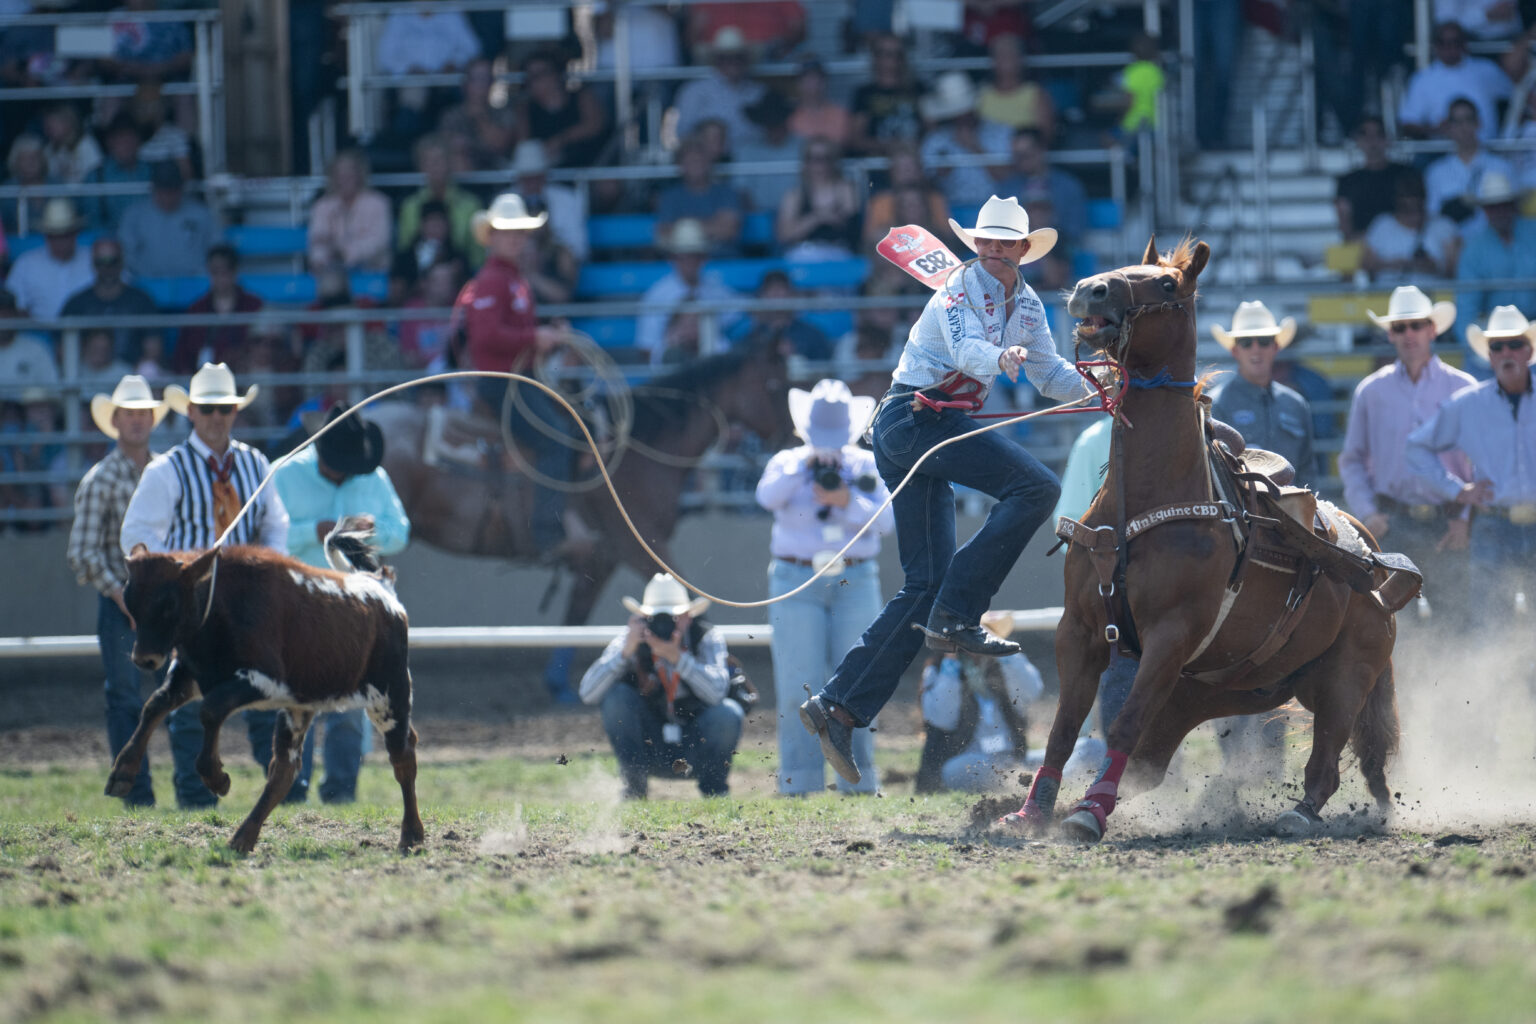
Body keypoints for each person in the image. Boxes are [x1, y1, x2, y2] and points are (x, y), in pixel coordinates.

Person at [797, 195, 1091, 784]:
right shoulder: (957, 286)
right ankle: (959, 612)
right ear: (976, 245)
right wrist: (1001, 353)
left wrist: (1098, 387)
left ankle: (840, 706)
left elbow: (1049, 373)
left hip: (920, 426)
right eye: (986, 242)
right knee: (1036, 487)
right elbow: (965, 350)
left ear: (1022, 250)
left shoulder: (1028, 307)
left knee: (923, 583)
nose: (994, 250)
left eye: (1004, 243)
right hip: (913, 420)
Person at [118, 362, 290, 808]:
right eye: (209, 408)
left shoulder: (256, 464)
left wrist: (266, 573)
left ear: (235, 411)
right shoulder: (167, 471)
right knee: (188, 704)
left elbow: (275, 525)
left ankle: (288, 796)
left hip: (246, 610)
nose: (218, 416)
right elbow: (137, 536)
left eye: (226, 408)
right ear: (191, 411)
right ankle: (196, 801)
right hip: (192, 613)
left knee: (266, 696)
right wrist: (177, 582)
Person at [244, 403, 411, 805]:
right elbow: (265, 537)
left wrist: (368, 534)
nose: (348, 471)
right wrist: (312, 531)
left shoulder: (374, 477)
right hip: (294, 607)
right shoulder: (284, 474)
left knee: (350, 702)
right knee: (283, 697)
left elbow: (400, 532)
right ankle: (290, 788)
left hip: (350, 609)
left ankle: (340, 790)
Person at [756, 380, 892, 796]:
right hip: (796, 581)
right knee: (799, 679)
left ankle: (859, 779)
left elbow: (885, 523)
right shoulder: (788, 462)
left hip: (855, 578)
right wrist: (807, 463)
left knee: (858, 681)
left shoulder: (865, 466)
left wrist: (845, 502)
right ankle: (798, 780)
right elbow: (766, 496)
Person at [1340, 285, 1476, 628]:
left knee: (1456, 621)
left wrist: (1464, 515)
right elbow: (1352, 460)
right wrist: (1369, 513)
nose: (1409, 333)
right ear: (1390, 334)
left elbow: (1482, 465)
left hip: (1448, 525)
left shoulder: (1464, 389)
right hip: (1392, 525)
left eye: (1416, 325)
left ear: (1432, 329)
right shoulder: (1370, 392)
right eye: (1401, 327)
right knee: (1393, 631)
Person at [450, 192, 574, 552]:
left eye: (520, 231)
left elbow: (507, 332)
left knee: (571, 428)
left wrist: (546, 336)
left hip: (521, 380)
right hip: (503, 385)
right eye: (507, 231)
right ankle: (547, 534)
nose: (515, 237)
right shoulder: (493, 281)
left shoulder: (513, 280)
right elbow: (486, 336)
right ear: (492, 236)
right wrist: (538, 336)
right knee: (557, 441)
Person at [65, 375, 167, 806]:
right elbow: (83, 553)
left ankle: (191, 792)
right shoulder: (101, 480)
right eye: (131, 414)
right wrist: (120, 594)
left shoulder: (165, 473)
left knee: (181, 695)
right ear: (116, 420)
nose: (138, 421)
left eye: (144, 413)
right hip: (121, 604)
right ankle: (137, 793)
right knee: (126, 697)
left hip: (165, 605)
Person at [1405, 305, 1536, 628]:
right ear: (1489, 355)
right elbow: (1415, 447)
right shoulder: (1469, 404)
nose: (1506, 353)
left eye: (1515, 344)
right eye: (1497, 346)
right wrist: (1457, 490)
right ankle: (1492, 680)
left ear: (1529, 351)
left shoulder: (1468, 403)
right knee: (1491, 626)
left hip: (1505, 526)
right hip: (1493, 527)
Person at [578, 573, 745, 799]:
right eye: (657, 618)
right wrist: (625, 653)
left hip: (695, 742)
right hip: (650, 743)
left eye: (673, 617)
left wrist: (679, 659)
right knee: (617, 697)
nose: (664, 625)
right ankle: (634, 788)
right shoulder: (633, 638)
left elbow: (717, 694)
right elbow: (587, 693)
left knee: (728, 713)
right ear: (644, 618)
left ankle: (715, 791)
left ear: (688, 616)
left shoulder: (705, 636)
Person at [915, 612, 1062, 793]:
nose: (974, 642)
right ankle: (1025, 784)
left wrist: (999, 647)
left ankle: (1025, 781)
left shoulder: (1001, 666)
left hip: (1015, 761)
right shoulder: (938, 670)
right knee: (956, 769)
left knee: (1089, 749)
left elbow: (1033, 690)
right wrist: (950, 661)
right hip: (968, 762)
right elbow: (942, 718)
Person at [1208, 301, 1318, 486]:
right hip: (1241, 512)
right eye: (1246, 342)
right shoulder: (1216, 405)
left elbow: (1307, 472)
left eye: (1264, 341)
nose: (1256, 349)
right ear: (1235, 350)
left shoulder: (1296, 404)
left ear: (1276, 347)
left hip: (1292, 509)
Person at [634, 218, 742, 364]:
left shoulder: (717, 290)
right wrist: (674, 342)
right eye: (684, 256)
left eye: (695, 255)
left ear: (704, 258)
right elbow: (646, 347)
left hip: (712, 370)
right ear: (673, 258)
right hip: (673, 369)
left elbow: (743, 316)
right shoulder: (656, 296)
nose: (690, 261)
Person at [1454, 171, 1536, 358]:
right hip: (1495, 338)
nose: (1499, 212)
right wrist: (1479, 352)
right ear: (1484, 210)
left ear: (1514, 206)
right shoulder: (1474, 250)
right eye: (1493, 207)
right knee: (1479, 371)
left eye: (1504, 205)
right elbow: (1466, 310)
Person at [1398, 21, 1513, 140]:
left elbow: (1517, 96)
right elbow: (1407, 123)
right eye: (1444, 43)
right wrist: (1436, 130)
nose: (1451, 48)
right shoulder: (1422, 79)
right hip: (1440, 152)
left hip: (1487, 149)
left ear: (1464, 43)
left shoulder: (1487, 70)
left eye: (1456, 42)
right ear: (1435, 45)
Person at [918, 72, 1012, 210]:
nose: (961, 117)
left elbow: (1007, 177)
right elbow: (923, 185)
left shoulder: (1001, 133)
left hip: (998, 208)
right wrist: (940, 173)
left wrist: (975, 148)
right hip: (948, 210)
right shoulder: (935, 140)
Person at [59, 237, 159, 363]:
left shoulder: (142, 301)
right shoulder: (76, 304)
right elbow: (63, 354)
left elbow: (153, 352)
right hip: (89, 377)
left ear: (122, 262)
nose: (107, 268)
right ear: (93, 264)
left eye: (113, 261)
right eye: (101, 262)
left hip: (132, 377)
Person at [1423, 98, 1515, 231]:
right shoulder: (1435, 172)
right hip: (1453, 246)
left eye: (1469, 120)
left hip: (1495, 243)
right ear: (1448, 127)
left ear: (1478, 123)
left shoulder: (1502, 167)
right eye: (1457, 122)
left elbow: (1513, 212)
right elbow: (1432, 217)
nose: (1463, 127)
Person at [396, 134, 483, 270]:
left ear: (450, 163)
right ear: (421, 166)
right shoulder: (410, 206)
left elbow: (478, 255)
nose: (434, 166)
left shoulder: (471, 205)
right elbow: (405, 249)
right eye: (428, 161)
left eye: (439, 160)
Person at [118, 161, 218, 279]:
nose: (168, 197)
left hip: (194, 284)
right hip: (148, 285)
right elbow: (125, 253)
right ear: (153, 189)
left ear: (181, 189)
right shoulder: (134, 215)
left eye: (173, 191)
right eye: (163, 191)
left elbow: (216, 249)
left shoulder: (201, 214)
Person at [175, 243, 266, 373]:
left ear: (235, 272)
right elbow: (182, 356)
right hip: (203, 380)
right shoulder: (196, 310)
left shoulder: (254, 306)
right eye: (215, 272)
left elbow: (263, 351)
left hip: (244, 376)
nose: (220, 277)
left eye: (225, 271)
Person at [673, 26, 765, 153]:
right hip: (710, 165)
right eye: (725, 57)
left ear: (746, 59)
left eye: (738, 57)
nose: (732, 62)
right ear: (716, 59)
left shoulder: (759, 93)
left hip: (751, 162)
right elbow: (684, 133)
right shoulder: (694, 92)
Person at [515, 48, 610, 170]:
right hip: (546, 174)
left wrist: (560, 140)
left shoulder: (581, 97)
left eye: (542, 73)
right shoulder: (525, 109)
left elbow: (595, 124)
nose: (536, 81)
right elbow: (524, 145)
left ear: (557, 74)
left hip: (589, 165)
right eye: (531, 76)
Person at [995, 128, 1088, 250]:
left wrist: (1048, 232)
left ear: (1041, 150)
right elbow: (999, 230)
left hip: (1057, 252)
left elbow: (1075, 229)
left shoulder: (1068, 185)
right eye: (1017, 156)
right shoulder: (1007, 187)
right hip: (1017, 251)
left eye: (1027, 154)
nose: (1022, 160)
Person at [656, 133, 745, 257]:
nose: (695, 166)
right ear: (680, 165)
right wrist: (711, 226)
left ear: (709, 163)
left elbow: (728, 230)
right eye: (689, 161)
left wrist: (684, 227)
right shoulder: (670, 196)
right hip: (683, 263)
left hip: (722, 258)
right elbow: (663, 233)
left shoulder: (727, 192)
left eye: (699, 160)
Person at [1361, 174, 1462, 282]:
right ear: (1396, 204)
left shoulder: (1444, 225)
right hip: (1388, 295)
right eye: (1406, 208)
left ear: (1425, 202)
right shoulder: (1381, 225)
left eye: (1418, 207)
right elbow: (1366, 266)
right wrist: (1394, 265)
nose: (1414, 215)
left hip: (1432, 295)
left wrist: (1434, 267)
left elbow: (1456, 271)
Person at [1335, 116, 1419, 243]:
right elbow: (1345, 226)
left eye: (1378, 134)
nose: (1372, 141)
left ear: (1387, 140)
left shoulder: (1406, 174)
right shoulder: (1347, 181)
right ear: (1358, 141)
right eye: (1366, 135)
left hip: (1404, 243)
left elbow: (1417, 212)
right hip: (1363, 246)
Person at [306, 149, 392, 273]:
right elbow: (317, 242)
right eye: (340, 175)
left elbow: (380, 242)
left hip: (372, 268)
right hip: (331, 270)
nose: (345, 179)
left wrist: (345, 252)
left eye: (349, 174)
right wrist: (322, 259)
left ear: (359, 175)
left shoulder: (379, 203)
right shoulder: (322, 206)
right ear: (333, 178)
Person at [774, 140, 860, 262]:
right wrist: (818, 217)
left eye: (825, 158)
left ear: (834, 161)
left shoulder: (846, 189)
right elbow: (784, 235)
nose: (820, 165)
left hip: (839, 251)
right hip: (803, 252)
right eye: (813, 159)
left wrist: (806, 222)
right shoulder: (795, 195)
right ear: (806, 162)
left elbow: (849, 222)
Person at [850, 32, 922, 156]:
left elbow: (932, 131)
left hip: (915, 161)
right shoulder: (864, 93)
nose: (895, 59)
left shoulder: (919, 89)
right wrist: (890, 146)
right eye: (888, 54)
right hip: (878, 164)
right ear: (876, 58)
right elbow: (856, 139)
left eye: (899, 54)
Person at [85, 112, 152, 232]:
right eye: (120, 138)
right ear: (109, 142)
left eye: (130, 137)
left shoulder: (153, 171)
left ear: (139, 141)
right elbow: (92, 221)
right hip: (111, 243)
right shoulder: (95, 177)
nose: (126, 144)